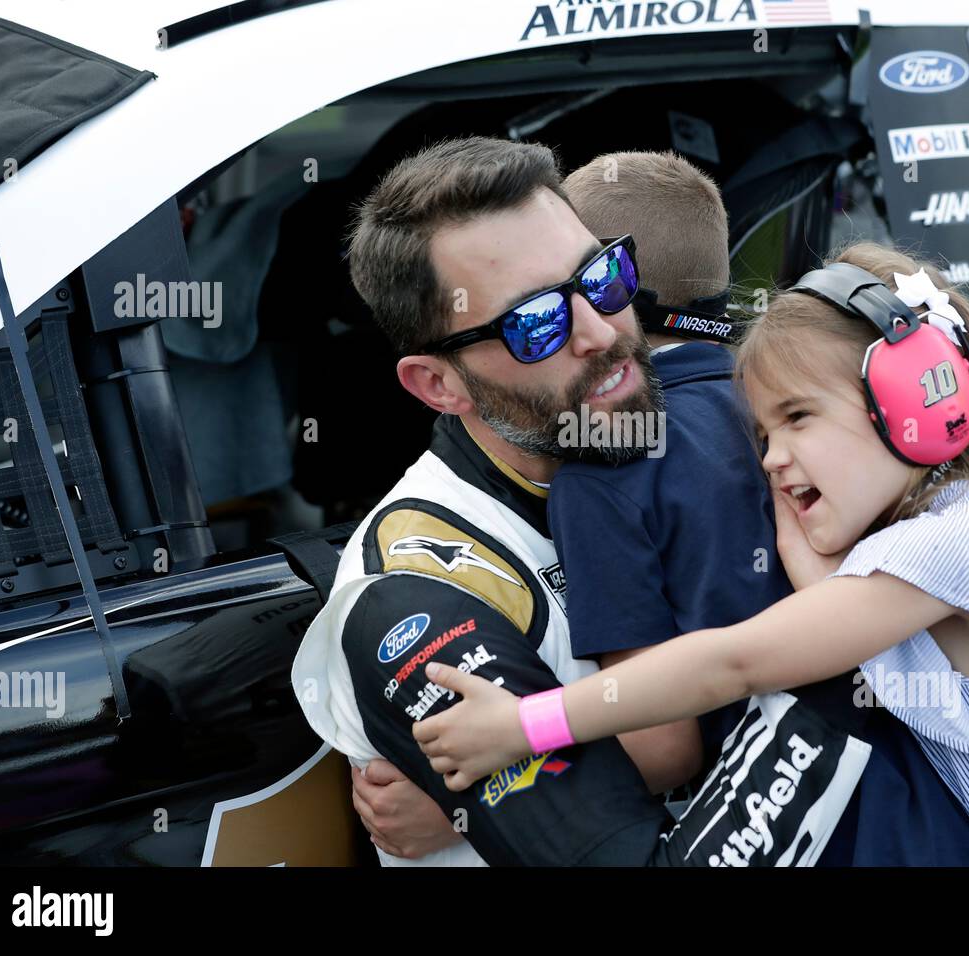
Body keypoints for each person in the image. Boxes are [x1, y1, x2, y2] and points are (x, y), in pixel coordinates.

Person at [411, 242, 969, 866]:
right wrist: (797, 508)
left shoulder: (961, 542)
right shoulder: (952, 540)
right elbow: (820, 604)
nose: (771, 459)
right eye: (764, 434)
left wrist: (524, 723)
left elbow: (735, 662)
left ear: (912, 401)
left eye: (799, 419)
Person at [291, 136, 880, 867]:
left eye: (602, 277)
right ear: (437, 385)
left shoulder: (756, 421)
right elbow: (632, 804)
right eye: (536, 324)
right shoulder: (420, 581)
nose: (602, 332)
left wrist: (464, 805)